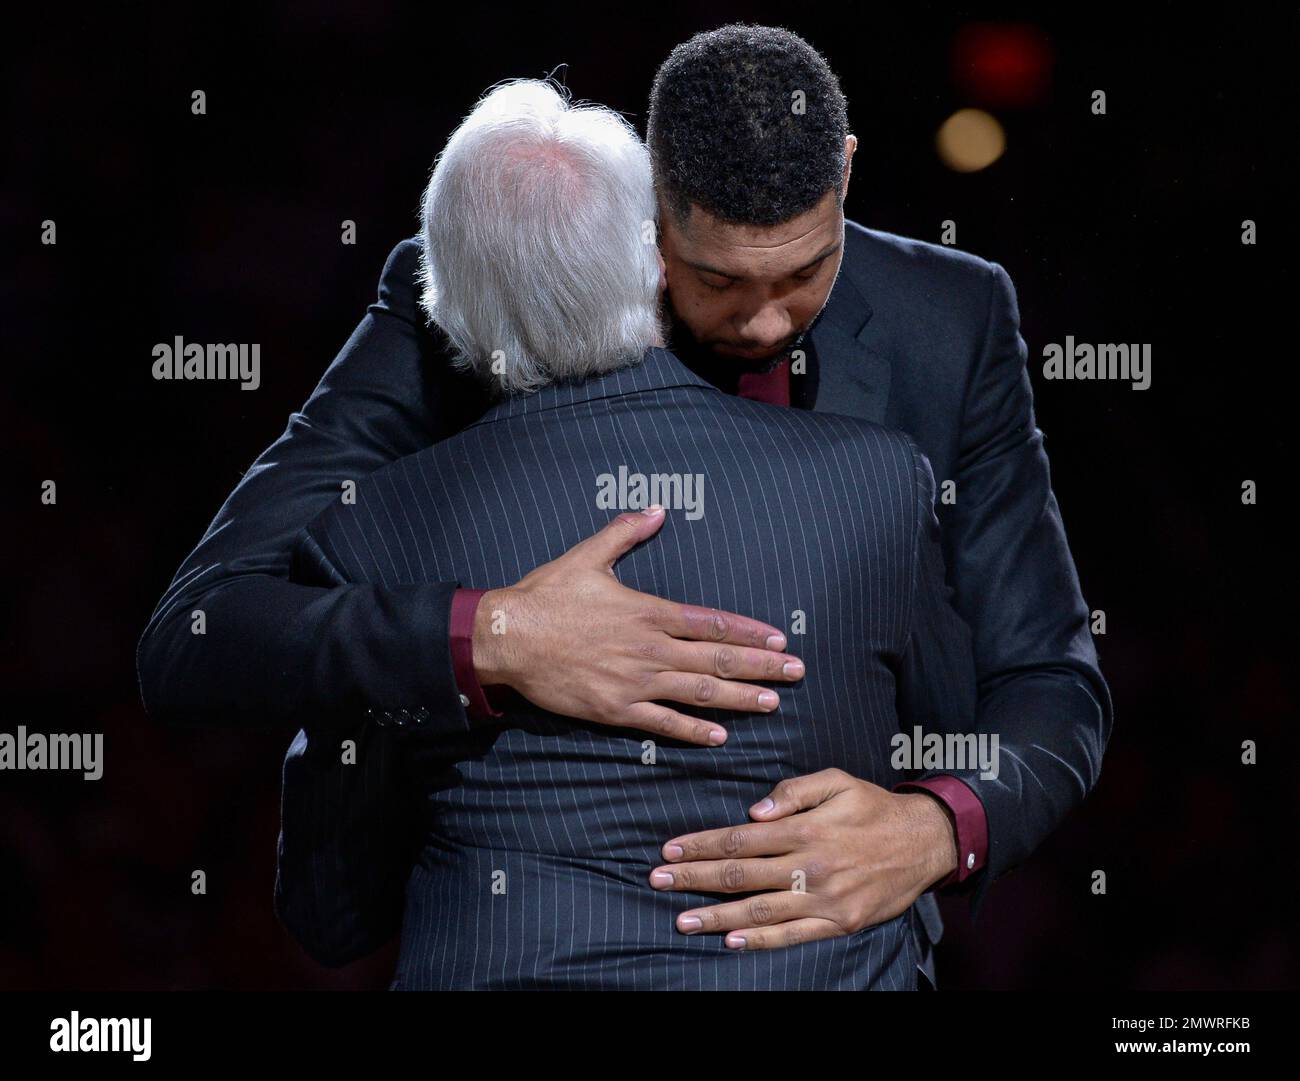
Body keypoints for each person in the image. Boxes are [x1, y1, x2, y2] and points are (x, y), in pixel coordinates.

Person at [139, 25, 1110, 989]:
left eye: (804, 273)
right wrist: (493, 635)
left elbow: (1047, 674)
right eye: (720, 280)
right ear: (646, 217)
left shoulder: (953, 318)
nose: (765, 322)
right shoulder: (478, 281)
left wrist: (939, 826)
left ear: (845, 174)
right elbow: (203, 626)